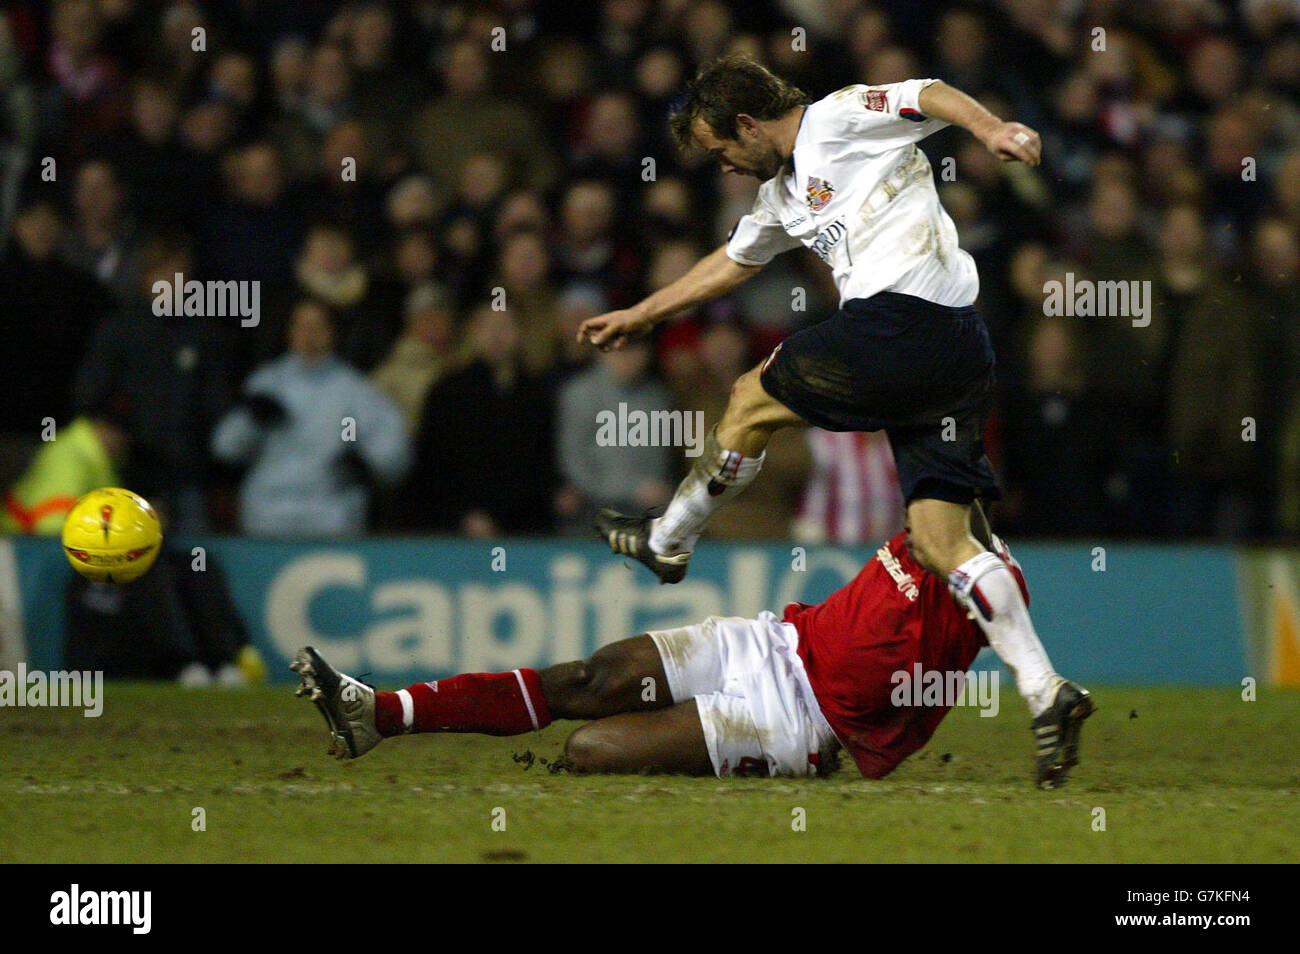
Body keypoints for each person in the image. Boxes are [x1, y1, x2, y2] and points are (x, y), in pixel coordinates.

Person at [576, 56, 1091, 779]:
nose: (724, 168)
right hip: (958, 351)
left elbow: (923, 94)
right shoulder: (781, 196)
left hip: (900, 321)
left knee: (750, 397)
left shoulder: (838, 118)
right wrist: (644, 312)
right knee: (943, 540)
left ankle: (669, 538)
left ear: (748, 123)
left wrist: (991, 127)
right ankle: (1046, 688)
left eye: (724, 150)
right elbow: (731, 261)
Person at [292, 502, 1089, 789]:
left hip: (798, 725)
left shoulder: (992, 584)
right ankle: (377, 714)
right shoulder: (930, 516)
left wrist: (1046, 702)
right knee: (591, 677)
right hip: (770, 643)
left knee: (591, 749)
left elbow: (1009, 624)